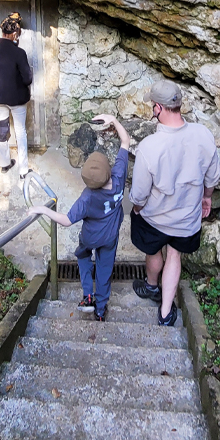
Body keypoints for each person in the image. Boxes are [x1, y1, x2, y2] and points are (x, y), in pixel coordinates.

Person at [129, 80, 220, 326]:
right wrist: (207, 197)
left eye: (153, 105)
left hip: (155, 218)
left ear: (158, 108)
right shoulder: (203, 135)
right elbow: (212, 178)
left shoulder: (149, 147)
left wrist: (137, 210)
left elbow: (139, 195)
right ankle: (165, 313)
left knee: (153, 250)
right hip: (186, 219)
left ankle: (151, 286)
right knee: (174, 255)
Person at [28, 115, 130, 321]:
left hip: (90, 237)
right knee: (104, 270)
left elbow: (66, 220)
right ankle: (100, 309)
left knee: (82, 255)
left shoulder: (88, 197)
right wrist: (113, 120)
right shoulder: (118, 176)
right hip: (110, 238)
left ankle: (88, 295)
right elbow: (125, 141)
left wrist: (44, 210)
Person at [0, 12, 32, 177]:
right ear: (15, 33)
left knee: (2, 128)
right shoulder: (19, 53)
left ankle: (4, 163)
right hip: (17, 99)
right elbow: (28, 79)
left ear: (2, 31)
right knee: (20, 131)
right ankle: (23, 170)